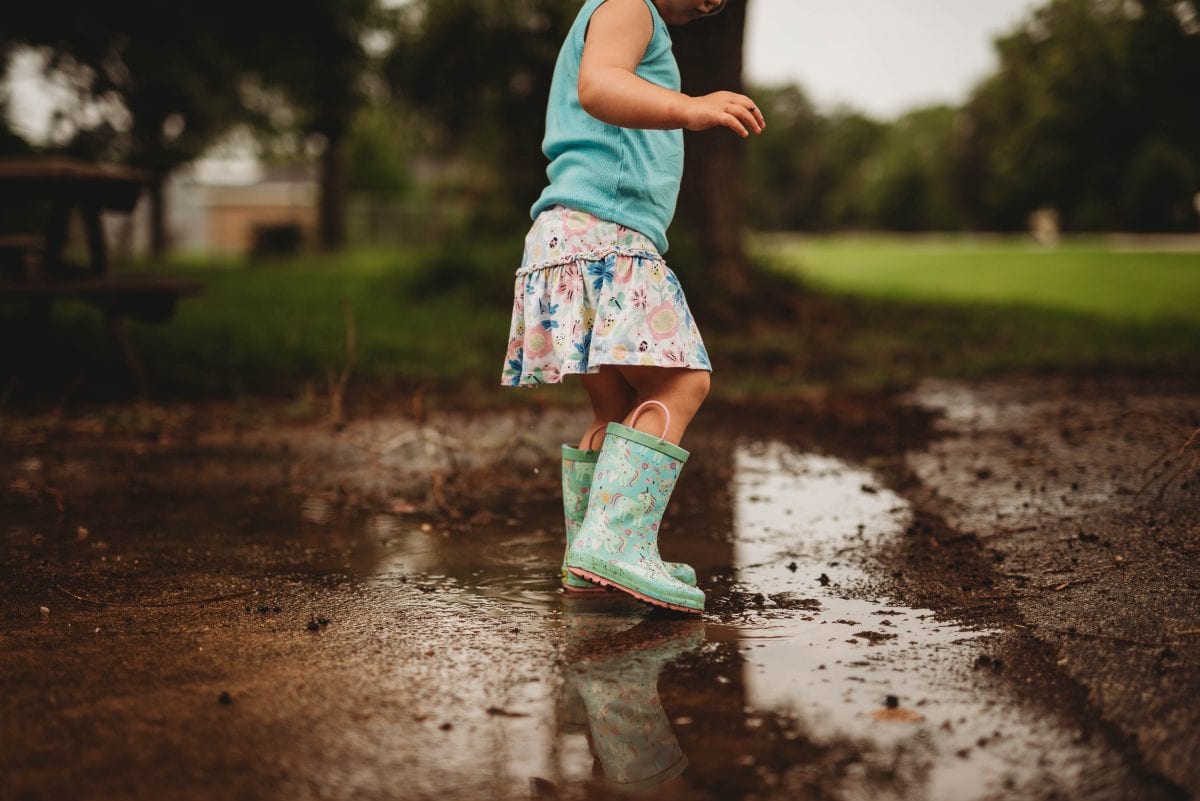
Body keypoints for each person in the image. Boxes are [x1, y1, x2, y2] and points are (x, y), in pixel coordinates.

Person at [500, 0, 764, 614]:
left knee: (618, 404)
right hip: (605, 234)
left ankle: (589, 561)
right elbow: (599, 86)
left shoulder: (633, 17)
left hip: (568, 235)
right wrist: (690, 108)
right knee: (683, 383)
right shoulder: (628, 5)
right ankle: (613, 546)